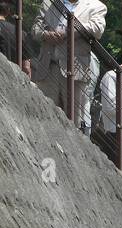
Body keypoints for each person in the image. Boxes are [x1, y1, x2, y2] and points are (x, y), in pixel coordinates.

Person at [31, 0, 106, 132]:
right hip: (47, 68)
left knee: (75, 123)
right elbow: (36, 27)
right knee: (43, 117)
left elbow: (97, 29)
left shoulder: (96, 6)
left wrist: (70, 30)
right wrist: (45, 35)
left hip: (75, 72)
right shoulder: (49, 3)